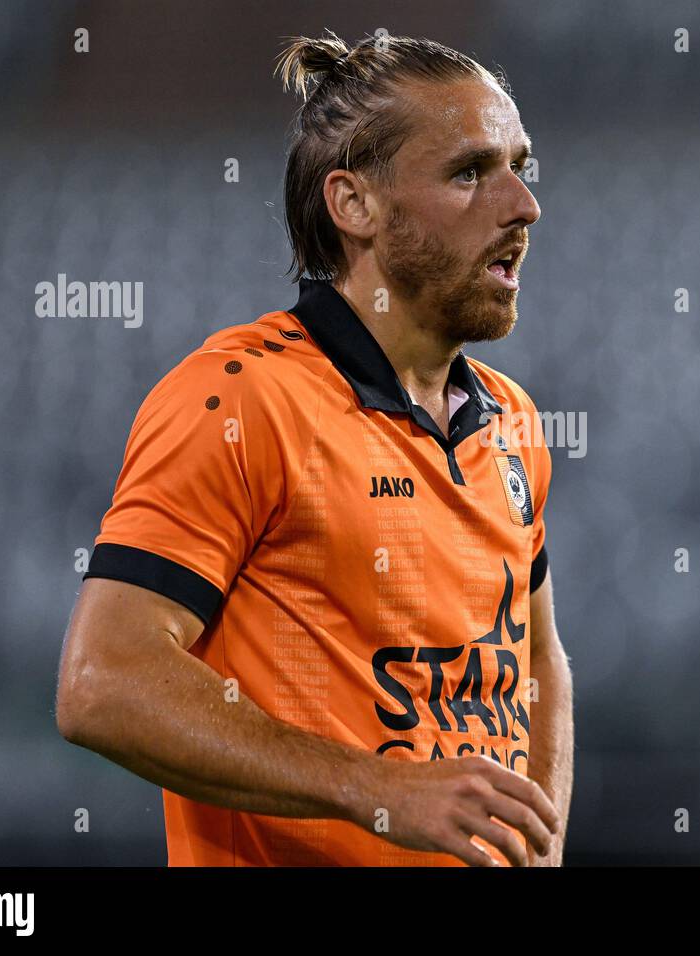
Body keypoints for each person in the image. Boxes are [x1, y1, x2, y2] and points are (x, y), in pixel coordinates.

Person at [55, 30, 573, 866]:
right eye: (470, 172)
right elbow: (103, 681)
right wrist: (379, 790)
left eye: (520, 166)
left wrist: (537, 842)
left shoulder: (510, 419)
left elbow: (539, 659)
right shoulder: (238, 397)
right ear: (354, 205)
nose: (524, 204)